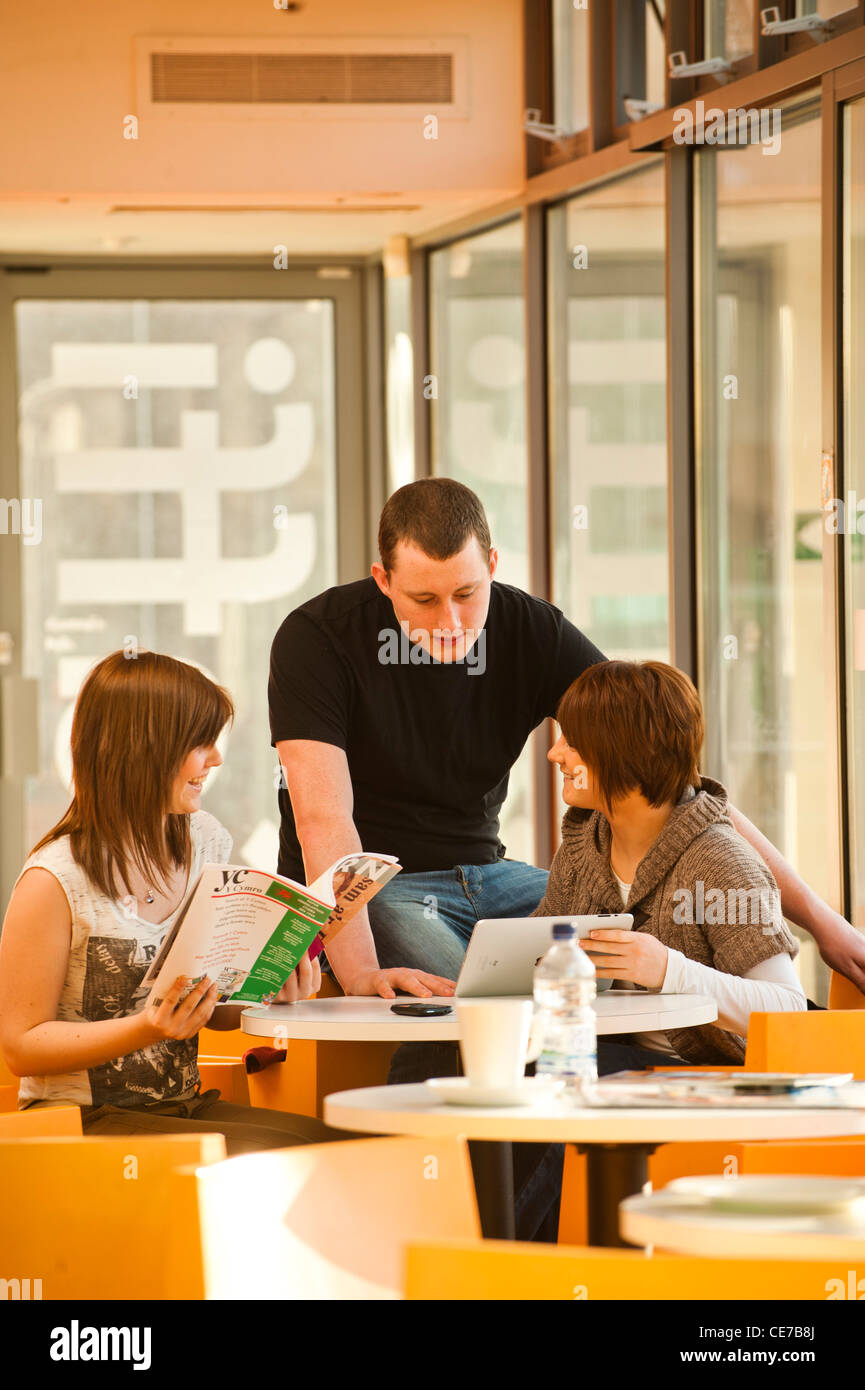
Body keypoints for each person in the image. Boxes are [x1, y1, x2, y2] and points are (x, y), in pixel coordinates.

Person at [269, 477, 865, 999]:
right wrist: (361, 974)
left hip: (493, 876)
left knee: (638, 943)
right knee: (494, 1008)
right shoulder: (317, 641)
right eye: (424, 600)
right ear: (383, 579)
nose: (450, 622)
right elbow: (323, 820)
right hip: (379, 888)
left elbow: (666, 778)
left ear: (494, 566)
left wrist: (825, 925)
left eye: (467, 594)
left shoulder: (532, 631)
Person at [0, 650, 350, 1155]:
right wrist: (145, 1028)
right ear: (145, 748)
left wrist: (266, 988)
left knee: (344, 1147)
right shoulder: (54, 880)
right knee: (298, 1163)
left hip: (184, 1107)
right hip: (83, 1123)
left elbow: (215, 1011)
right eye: (200, 743)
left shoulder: (203, 841)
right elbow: (20, 1047)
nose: (216, 759)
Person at [534, 660, 807, 1074]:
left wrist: (668, 970)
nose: (555, 754)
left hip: (708, 1074)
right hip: (612, 1058)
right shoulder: (582, 845)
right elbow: (542, 953)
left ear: (620, 751)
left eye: (571, 741)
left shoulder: (720, 861)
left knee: (539, 1070)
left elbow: (788, 1008)